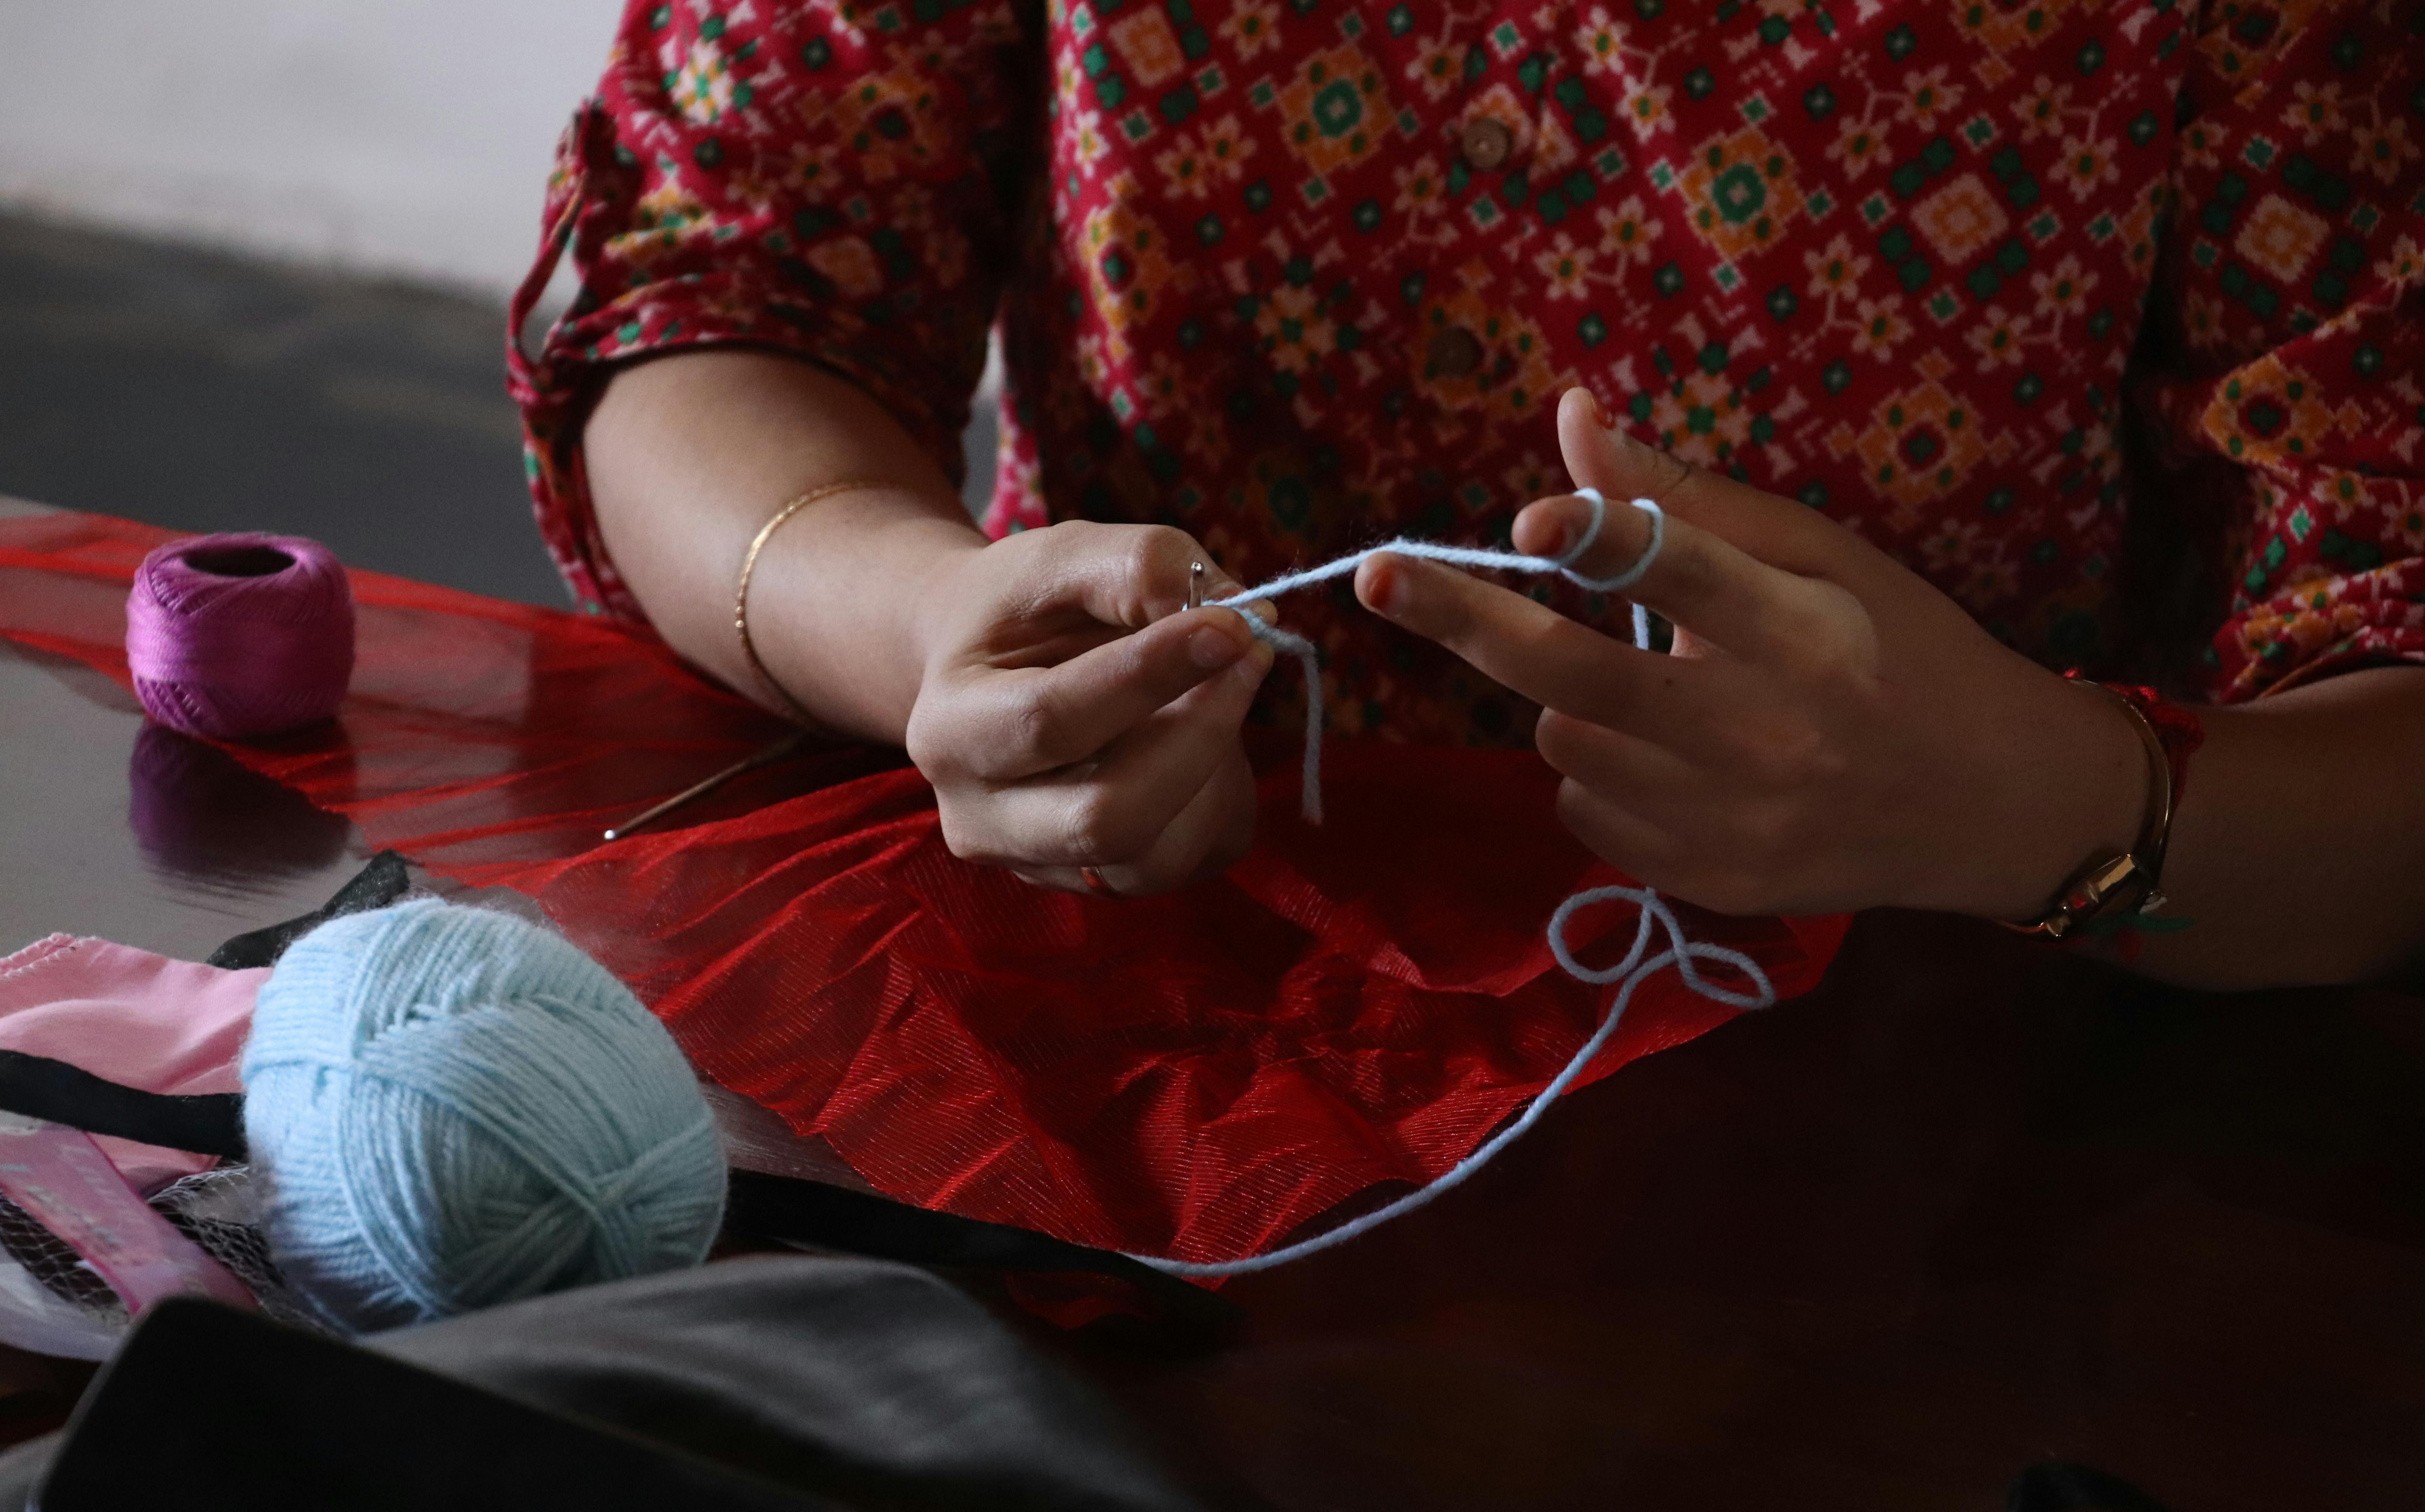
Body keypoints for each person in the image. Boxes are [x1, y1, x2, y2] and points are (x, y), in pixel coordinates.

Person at [510, 0, 2424, 991]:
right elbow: (725, 292)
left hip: (1958, 1120)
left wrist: (2047, 808)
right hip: (1133, 1001)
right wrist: (917, 618)